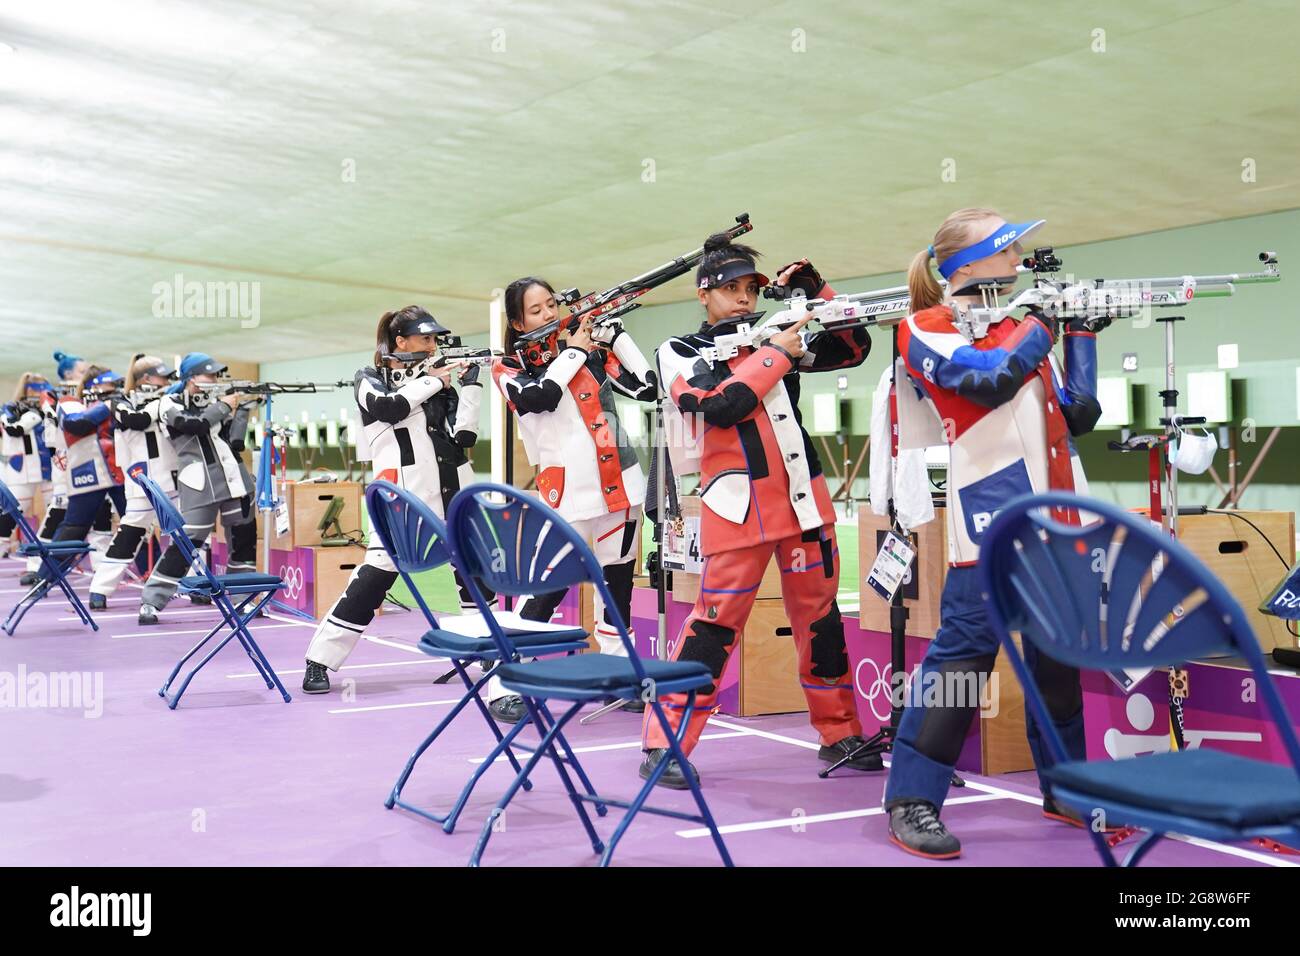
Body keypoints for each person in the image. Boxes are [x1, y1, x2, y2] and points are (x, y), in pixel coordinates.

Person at [882, 208, 1104, 859]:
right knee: (963, 661)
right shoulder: (926, 326)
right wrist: (1040, 320)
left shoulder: (1013, 326)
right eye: (1005, 247)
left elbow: (1078, 414)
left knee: (1059, 660)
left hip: (1059, 517)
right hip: (990, 523)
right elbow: (984, 382)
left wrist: (1081, 333)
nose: (1018, 256)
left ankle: (1067, 787)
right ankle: (912, 799)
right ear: (965, 265)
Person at [641, 233, 874, 789]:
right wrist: (776, 355)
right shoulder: (680, 350)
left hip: (804, 504)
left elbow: (854, 350)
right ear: (704, 294)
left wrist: (818, 292)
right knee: (712, 629)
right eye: (729, 289)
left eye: (750, 288)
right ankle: (664, 742)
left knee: (821, 625)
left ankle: (839, 731)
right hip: (737, 507)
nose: (743, 298)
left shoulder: (772, 336)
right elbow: (717, 406)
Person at [488, 277, 658, 723]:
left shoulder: (588, 355)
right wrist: (576, 351)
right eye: (537, 309)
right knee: (545, 589)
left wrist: (618, 339)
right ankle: (503, 679)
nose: (548, 315)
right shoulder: (509, 369)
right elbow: (537, 399)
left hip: (622, 486)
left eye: (551, 306)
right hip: (568, 496)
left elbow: (648, 388)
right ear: (517, 321)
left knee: (618, 584)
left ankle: (621, 674)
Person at [302, 306, 489, 693]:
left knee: (475, 574)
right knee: (372, 580)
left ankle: (485, 649)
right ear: (399, 342)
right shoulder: (369, 378)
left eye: (436, 339)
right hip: (400, 498)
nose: (433, 345)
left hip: (452, 489)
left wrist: (470, 386)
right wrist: (435, 381)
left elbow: (465, 438)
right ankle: (319, 660)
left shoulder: (437, 382)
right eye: (425, 338)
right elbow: (390, 408)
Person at [137, 354, 258, 625]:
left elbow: (235, 441)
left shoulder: (217, 401)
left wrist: (243, 409)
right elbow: (193, 425)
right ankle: (152, 601)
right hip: (199, 483)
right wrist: (225, 406)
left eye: (217, 376)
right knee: (186, 542)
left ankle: (243, 599)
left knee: (243, 541)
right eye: (209, 375)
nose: (215, 380)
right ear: (192, 378)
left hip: (235, 480)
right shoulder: (168, 403)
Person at [87, 355, 178, 610]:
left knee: (185, 534)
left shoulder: (169, 400)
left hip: (170, 476)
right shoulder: (119, 402)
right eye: (162, 377)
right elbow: (136, 420)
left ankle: (195, 585)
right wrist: (160, 403)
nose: (167, 381)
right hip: (141, 478)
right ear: (146, 379)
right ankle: (100, 589)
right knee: (129, 535)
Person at [47, 366, 128, 557]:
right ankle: (45, 576)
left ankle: (155, 578)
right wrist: (107, 406)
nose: (117, 387)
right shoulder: (70, 402)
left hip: (117, 470)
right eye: (112, 383)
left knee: (134, 524)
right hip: (86, 472)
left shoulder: (119, 401)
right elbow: (75, 424)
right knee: (74, 528)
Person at [0, 374, 55, 560]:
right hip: (22, 468)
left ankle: (49, 553)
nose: (39, 392)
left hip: (48, 466)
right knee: (12, 511)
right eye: (36, 388)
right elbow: (13, 430)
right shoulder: (9, 408)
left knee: (55, 509)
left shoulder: (49, 407)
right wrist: (32, 414)